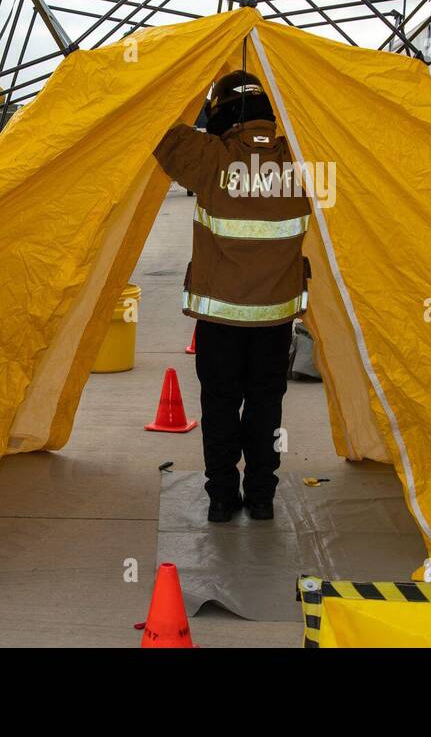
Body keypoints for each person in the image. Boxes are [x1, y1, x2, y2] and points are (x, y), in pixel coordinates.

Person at [153, 70, 311, 523]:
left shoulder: (207, 158)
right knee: (267, 405)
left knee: (219, 405)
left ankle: (222, 498)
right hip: (275, 322)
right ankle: (261, 497)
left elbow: (159, 128)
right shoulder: (301, 159)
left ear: (221, 113)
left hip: (219, 320)